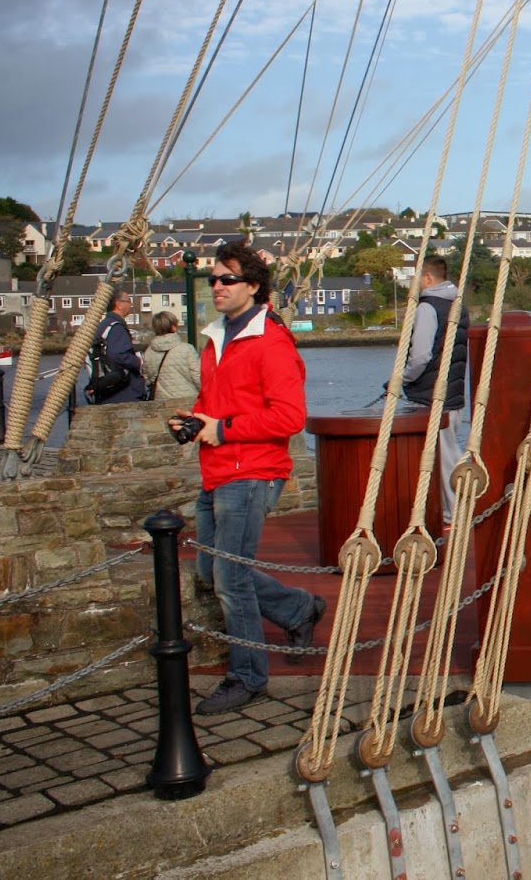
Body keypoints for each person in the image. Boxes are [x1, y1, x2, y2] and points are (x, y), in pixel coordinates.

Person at [173, 241, 324, 715]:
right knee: (210, 570)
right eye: (215, 278)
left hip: (251, 471)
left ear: (253, 287)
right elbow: (222, 402)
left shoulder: (271, 342)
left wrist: (224, 429)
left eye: (227, 279)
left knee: (230, 578)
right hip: (219, 468)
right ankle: (298, 609)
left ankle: (248, 677)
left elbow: (290, 417)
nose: (216, 286)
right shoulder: (218, 336)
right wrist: (197, 420)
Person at [400, 254, 469, 527]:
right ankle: (453, 509)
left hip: (432, 394)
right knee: (448, 450)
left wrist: (401, 378)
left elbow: (420, 356)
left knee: (442, 456)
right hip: (453, 392)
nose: (413, 284)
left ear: (427, 278)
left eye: (416, 278)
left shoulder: (427, 308)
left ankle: (455, 514)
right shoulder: (457, 306)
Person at [91, 288, 146, 403]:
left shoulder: (103, 325)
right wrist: (138, 361)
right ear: (119, 304)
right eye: (128, 301)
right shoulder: (116, 328)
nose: (131, 304)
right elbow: (119, 355)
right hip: (123, 391)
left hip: (107, 389)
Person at [142, 311, 202, 399]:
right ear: (173, 327)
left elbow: (147, 379)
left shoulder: (149, 351)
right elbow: (198, 377)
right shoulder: (187, 349)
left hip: (161, 402)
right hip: (187, 400)